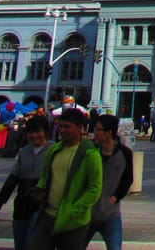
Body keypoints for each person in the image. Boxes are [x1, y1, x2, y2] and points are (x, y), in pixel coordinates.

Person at [29, 107, 102, 250]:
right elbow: (45, 176)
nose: (62, 130)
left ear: (80, 128)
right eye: (60, 126)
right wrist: (40, 189)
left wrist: (75, 210)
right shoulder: (54, 150)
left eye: (67, 127)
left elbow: (95, 188)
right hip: (48, 216)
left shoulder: (90, 154)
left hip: (73, 222)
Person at [0, 116, 51, 250]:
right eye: (31, 132)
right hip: (22, 204)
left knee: (32, 243)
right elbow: (13, 178)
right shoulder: (24, 152)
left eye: (38, 131)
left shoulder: (53, 151)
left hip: (41, 206)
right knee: (20, 243)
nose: (34, 135)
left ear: (45, 131)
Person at [87, 114, 134, 250]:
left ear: (109, 132)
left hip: (111, 213)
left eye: (98, 129)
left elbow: (127, 179)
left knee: (114, 247)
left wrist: (114, 198)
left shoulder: (124, 153)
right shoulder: (90, 151)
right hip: (88, 212)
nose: (95, 132)